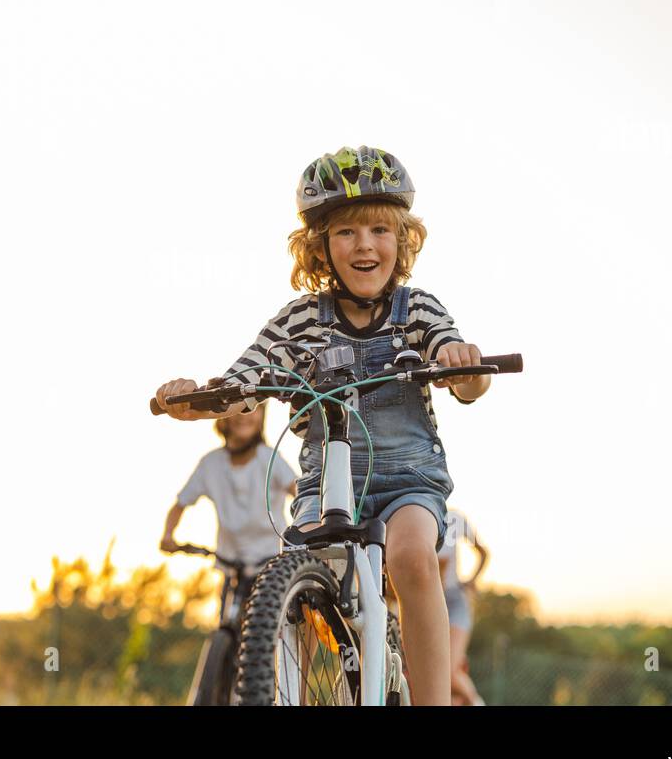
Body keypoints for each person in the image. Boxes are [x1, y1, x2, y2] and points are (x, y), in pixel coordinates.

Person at [155, 145, 492, 705]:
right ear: (319, 247)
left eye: (381, 229)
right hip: (323, 491)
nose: (365, 244)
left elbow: (469, 381)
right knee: (308, 585)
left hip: (406, 480)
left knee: (412, 555)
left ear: (402, 240)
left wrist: (463, 366)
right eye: (346, 233)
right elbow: (244, 383)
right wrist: (197, 399)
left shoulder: (419, 311)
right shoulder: (299, 322)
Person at [160, 402, 297, 597]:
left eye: (252, 409)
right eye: (237, 409)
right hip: (230, 562)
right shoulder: (210, 463)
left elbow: (298, 493)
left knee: (274, 618)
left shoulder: (270, 458)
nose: (244, 415)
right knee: (227, 619)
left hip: (272, 559)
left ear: (262, 418)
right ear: (222, 417)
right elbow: (180, 504)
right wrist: (168, 535)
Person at [439, 509, 488, 705]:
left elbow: (483, 553)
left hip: (453, 601)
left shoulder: (454, 519)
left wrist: (472, 581)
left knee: (449, 671)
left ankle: (475, 702)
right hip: (428, 600)